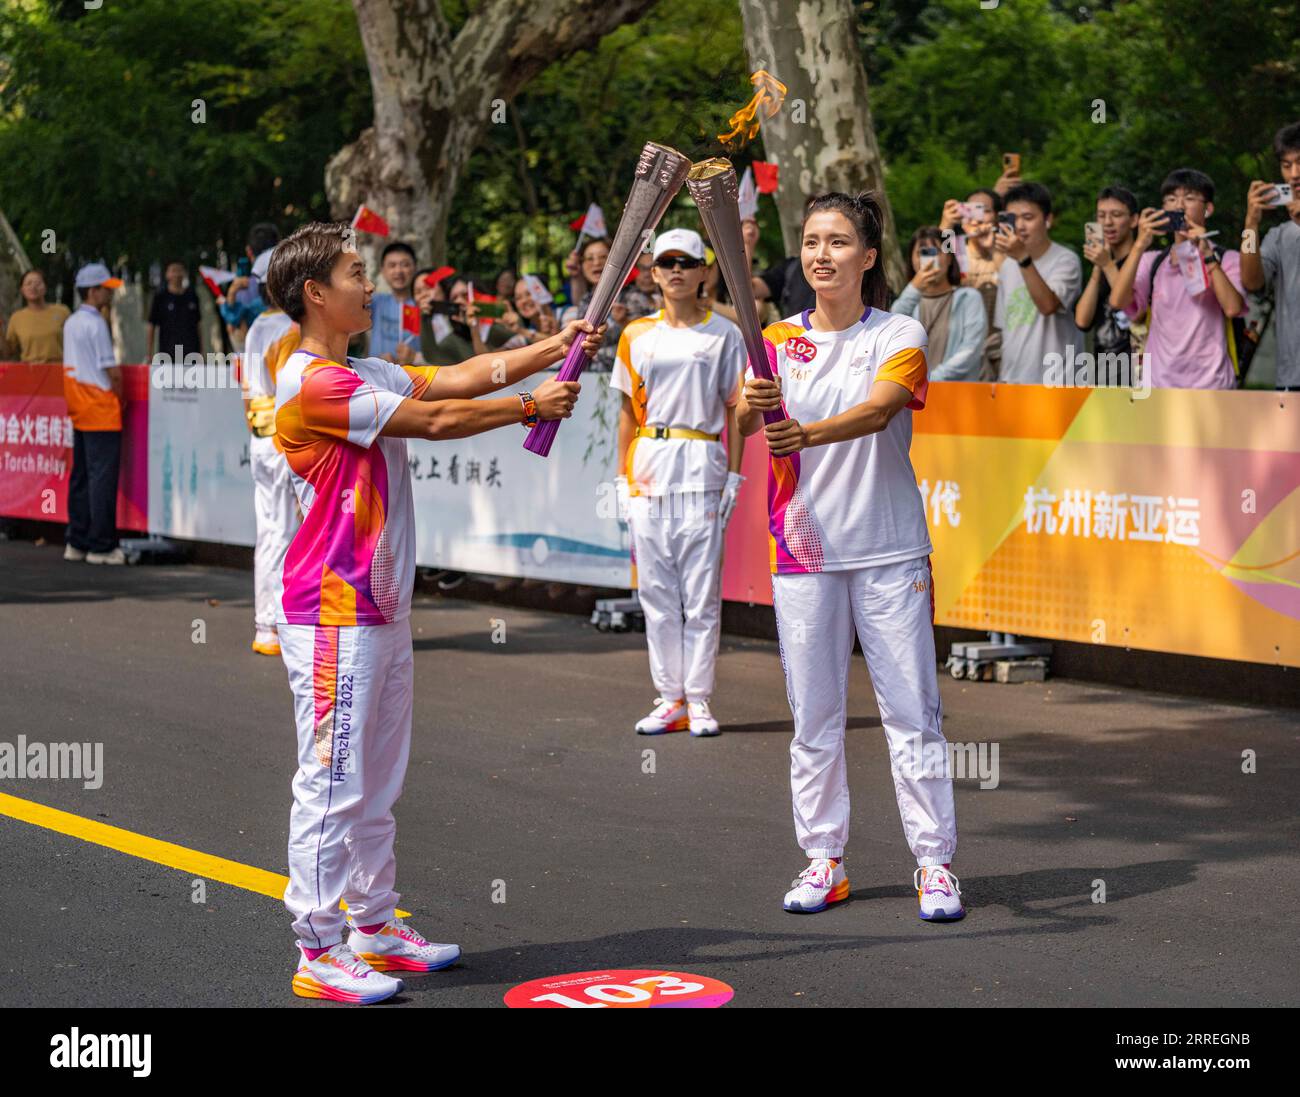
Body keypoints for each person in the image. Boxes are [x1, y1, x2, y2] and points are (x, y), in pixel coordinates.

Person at [265, 220, 600, 1004]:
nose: (369, 282)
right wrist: (529, 405)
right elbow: (441, 422)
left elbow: (457, 377)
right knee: (333, 779)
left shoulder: (363, 367)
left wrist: (553, 346)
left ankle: (373, 925)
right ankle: (316, 946)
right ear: (316, 294)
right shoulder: (316, 383)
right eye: (354, 272)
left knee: (375, 780)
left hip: (376, 610)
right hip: (330, 613)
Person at [736, 192, 962, 923]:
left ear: (868, 257)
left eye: (837, 241)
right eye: (810, 240)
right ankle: (824, 858)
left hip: (889, 548)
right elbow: (741, 422)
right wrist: (751, 399)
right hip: (802, 548)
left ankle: (934, 863)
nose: (820, 254)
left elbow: (880, 408)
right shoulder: (772, 336)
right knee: (815, 714)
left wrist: (804, 432)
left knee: (912, 712)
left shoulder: (898, 331)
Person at [610, 228, 747, 738]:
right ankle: (669, 698)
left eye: (686, 262)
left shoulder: (725, 334)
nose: (676, 271)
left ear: (704, 271)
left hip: (702, 466)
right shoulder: (636, 335)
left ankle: (701, 700)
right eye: (666, 262)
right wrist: (620, 477)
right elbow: (626, 412)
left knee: (702, 596)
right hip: (649, 468)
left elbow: (736, 410)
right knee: (658, 596)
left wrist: (733, 473)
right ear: (653, 272)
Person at [1109, 168, 1246, 389]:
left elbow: (1232, 308)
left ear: (1208, 209)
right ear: (1164, 209)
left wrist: (1207, 255)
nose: (1179, 206)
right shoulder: (1151, 261)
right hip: (1158, 384)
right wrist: (1139, 245)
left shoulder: (1227, 258)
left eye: (1189, 198)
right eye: (1171, 200)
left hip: (1212, 384)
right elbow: (1117, 301)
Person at [240, 247, 302, 657]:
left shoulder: (258, 325)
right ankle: (276, 626)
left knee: (273, 532)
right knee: (284, 533)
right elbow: (296, 394)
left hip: (262, 439)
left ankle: (270, 625)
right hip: (283, 441)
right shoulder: (289, 329)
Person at [62, 263, 126, 565]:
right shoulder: (96, 323)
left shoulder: (71, 322)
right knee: (102, 478)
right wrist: (121, 397)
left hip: (78, 405)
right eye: (105, 289)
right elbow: (111, 370)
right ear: (92, 291)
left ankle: (77, 540)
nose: (109, 294)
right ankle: (100, 546)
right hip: (101, 407)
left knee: (82, 476)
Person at [993, 181, 1083, 383]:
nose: (1020, 226)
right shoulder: (1007, 266)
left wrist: (1023, 258)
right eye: (1012, 219)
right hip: (1012, 381)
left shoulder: (1066, 260)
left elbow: (1048, 305)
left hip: (1056, 383)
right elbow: (1005, 329)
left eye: (1028, 217)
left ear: (1048, 220)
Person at [1242, 121, 1300, 390]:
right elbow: (1252, 283)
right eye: (1286, 166)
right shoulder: (1278, 235)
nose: (1294, 174)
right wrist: (1251, 224)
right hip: (1292, 378)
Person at [890, 225, 987, 380]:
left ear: (949, 258)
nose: (930, 259)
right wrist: (915, 287)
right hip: (911, 397)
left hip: (956, 394)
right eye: (923, 253)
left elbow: (971, 349)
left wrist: (930, 379)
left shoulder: (969, 298)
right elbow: (891, 328)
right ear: (912, 260)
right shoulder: (909, 301)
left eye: (935, 251)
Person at [1074, 186, 1139, 374]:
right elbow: (1082, 321)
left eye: (1116, 215)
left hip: (1137, 371)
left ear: (1134, 220)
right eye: (1101, 216)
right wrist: (1098, 266)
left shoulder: (1143, 261)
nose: (1108, 222)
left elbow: (1132, 307)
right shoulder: (1103, 264)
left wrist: (1108, 265)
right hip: (1102, 371)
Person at [561, 238, 620, 371]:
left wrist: (625, 322)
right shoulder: (585, 300)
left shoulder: (631, 296)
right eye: (589, 258)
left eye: (603, 257)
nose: (596, 263)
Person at [222, 222, 281, 340]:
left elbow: (235, 332)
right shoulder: (296, 280)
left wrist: (230, 300)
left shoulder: (242, 290)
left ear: (249, 251)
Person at [3, 269, 71, 363]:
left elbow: (76, 343)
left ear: (45, 287)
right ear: (22, 290)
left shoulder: (62, 311)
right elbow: (8, 353)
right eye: (28, 283)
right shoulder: (16, 318)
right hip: (30, 372)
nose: (33, 287)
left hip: (59, 370)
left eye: (38, 283)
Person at [368, 241, 420, 363]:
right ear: (383, 271)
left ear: (415, 267)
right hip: (377, 377)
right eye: (392, 265)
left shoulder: (422, 305)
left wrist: (416, 358)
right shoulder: (375, 302)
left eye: (405, 265)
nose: (398, 271)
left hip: (416, 377)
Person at [147, 259, 203, 364]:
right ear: (167, 274)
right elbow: (151, 325)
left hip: (191, 354)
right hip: (167, 355)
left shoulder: (192, 296)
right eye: (173, 270)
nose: (177, 274)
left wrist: (201, 352)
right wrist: (149, 354)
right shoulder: (160, 297)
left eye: (180, 270)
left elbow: (198, 325)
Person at [499, 274, 559, 348]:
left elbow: (562, 344)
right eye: (518, 298)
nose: (524, 301)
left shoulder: (569, 313)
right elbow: (490, 357)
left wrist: (521, 330)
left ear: (546, 292)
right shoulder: (523, 336)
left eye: (529, 293)